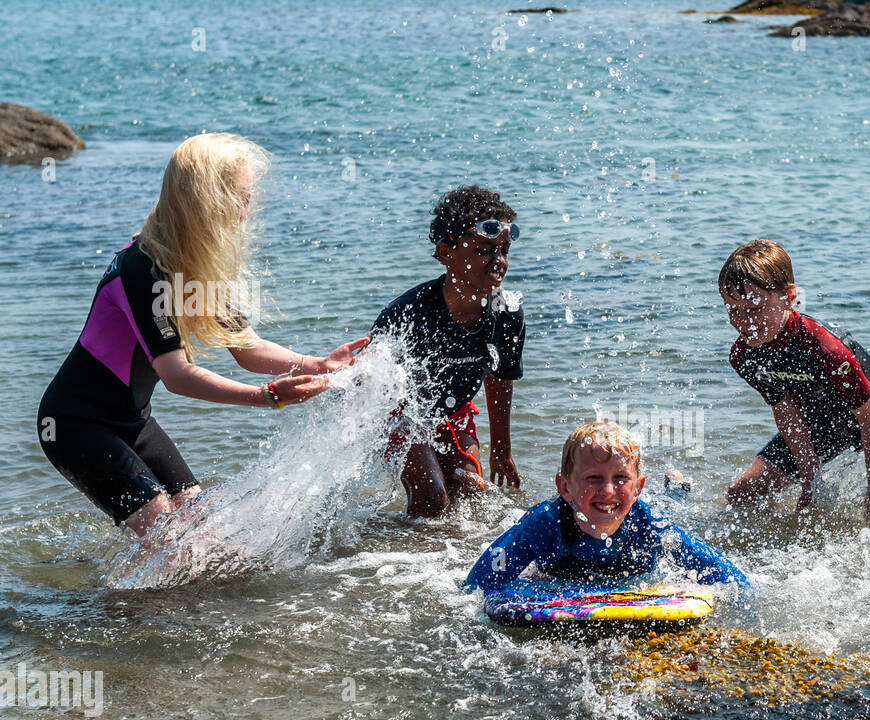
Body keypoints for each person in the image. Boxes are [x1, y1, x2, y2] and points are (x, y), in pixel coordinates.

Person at [37, 133, 367, 536]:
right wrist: (267, 398)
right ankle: (123, 601)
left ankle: (140, 595)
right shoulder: (143, 269)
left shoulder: (192, 266)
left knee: (196, 521)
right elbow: (176, 374)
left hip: (132, 421)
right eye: (241, 199)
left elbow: (249, 349)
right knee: (162, 528)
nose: (246, 213)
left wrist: (318, 364)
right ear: (207, 201)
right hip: (74, 423)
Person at [720, 239, 870, 530]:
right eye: (733, 309)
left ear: (789, 297)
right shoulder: (744, 355)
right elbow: (787, 415)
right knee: (740, 495)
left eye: (754, 309)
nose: (744, 322)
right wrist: (810, 482)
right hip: (823, 424)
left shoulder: (824, 346)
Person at [371, 186, 524, 518]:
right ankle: (407, 565)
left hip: (453, 411)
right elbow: (376, 391)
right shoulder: (407, 315)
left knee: (471, 494)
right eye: (485, 250)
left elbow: (498, 378)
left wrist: (501, 450)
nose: (498, 261)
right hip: (398, 413)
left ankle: (454, 562)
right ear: (446, 252)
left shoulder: (507, 312)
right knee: (431, 496)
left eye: (503, 250)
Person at [465, 421, 748, 592]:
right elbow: (477, 584)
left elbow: (732, 580)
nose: (608, 490)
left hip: (653, 508)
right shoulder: (544, 524)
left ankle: (675, 486)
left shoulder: (653, 526)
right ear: (565, 487)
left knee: (669, 504)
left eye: (621, 478)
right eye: (593, 478)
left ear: (637, 487)